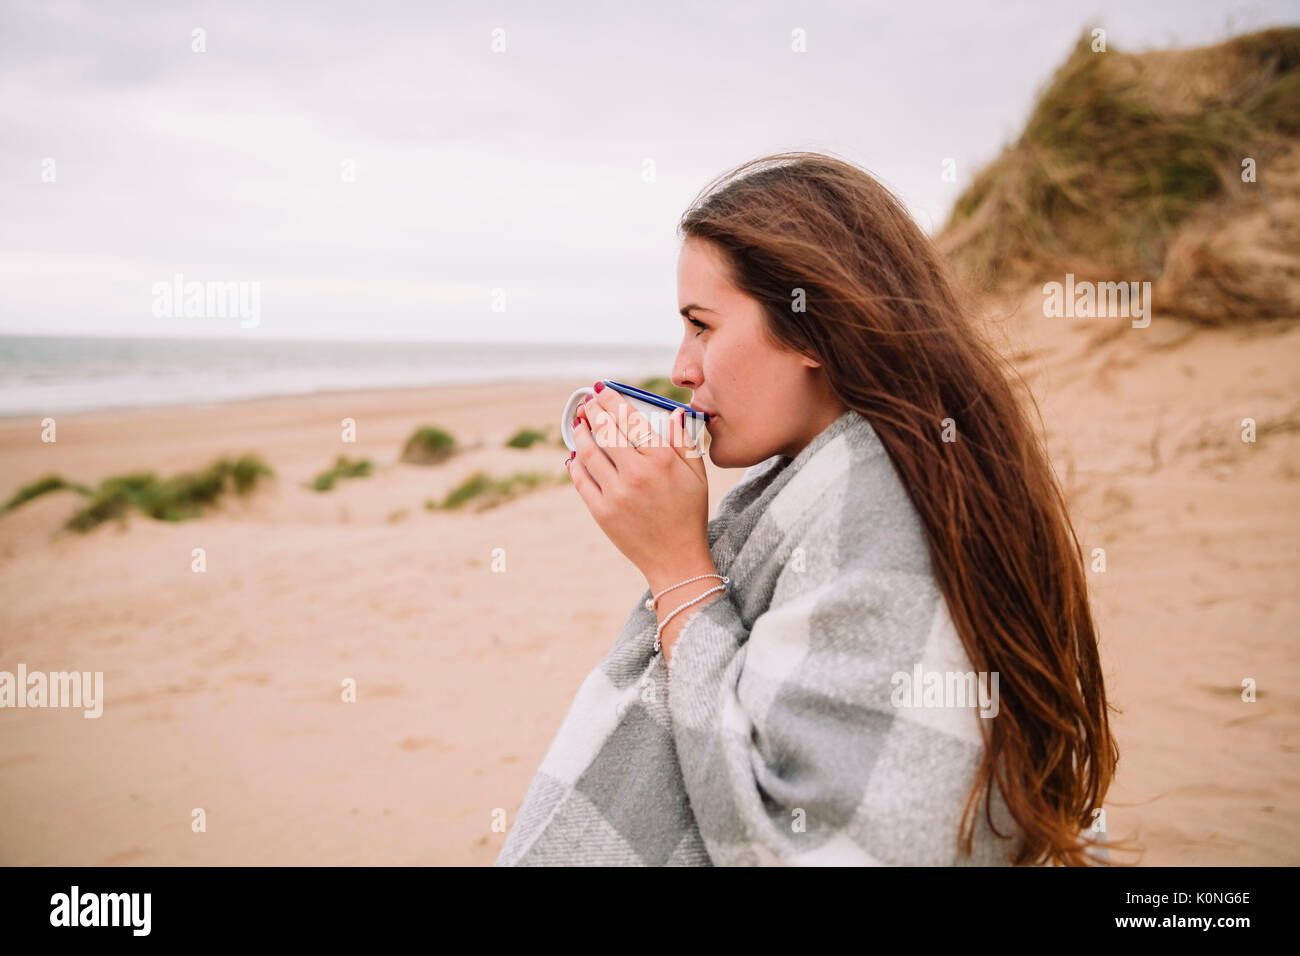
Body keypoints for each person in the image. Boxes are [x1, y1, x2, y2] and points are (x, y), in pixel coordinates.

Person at [494, 151, 1118, 866]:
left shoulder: (882, 511)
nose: (681, 368)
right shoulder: (906, 470)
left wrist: (676, 567)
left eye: (703, 325)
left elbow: (803, 843)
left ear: (812, 327)